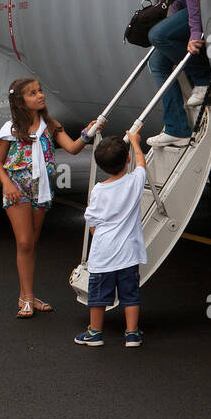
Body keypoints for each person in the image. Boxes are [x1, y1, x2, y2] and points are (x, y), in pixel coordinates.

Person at [0, 77, 103, 318]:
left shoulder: (51, 125)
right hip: (17, 188)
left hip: (42, 190)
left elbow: (73, 148)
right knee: (23, 242)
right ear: (21, 102)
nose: (40, 95)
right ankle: (27, 299)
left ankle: (27, 296)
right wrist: (7, 183)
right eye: (32, 93)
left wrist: (88, 133)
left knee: (31, 243)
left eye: (40, 91)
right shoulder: (11, 130)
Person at [109, 0, 211, 148]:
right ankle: (177, 129)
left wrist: (195, 33)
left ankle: (204, 78)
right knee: (156, 62)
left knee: (158, 35)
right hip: (194, 4)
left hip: (208, 3)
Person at [75, 121, 147, 347]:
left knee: (97, 296)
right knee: (130, 295)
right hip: (128, 253)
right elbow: (142, 164)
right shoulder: (135, 182)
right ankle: (132, 334)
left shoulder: (98, 190)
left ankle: (95, 332)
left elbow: (92, 221)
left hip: (103, 253)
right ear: (127, 160)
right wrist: (135, 142)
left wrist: (99, 236)